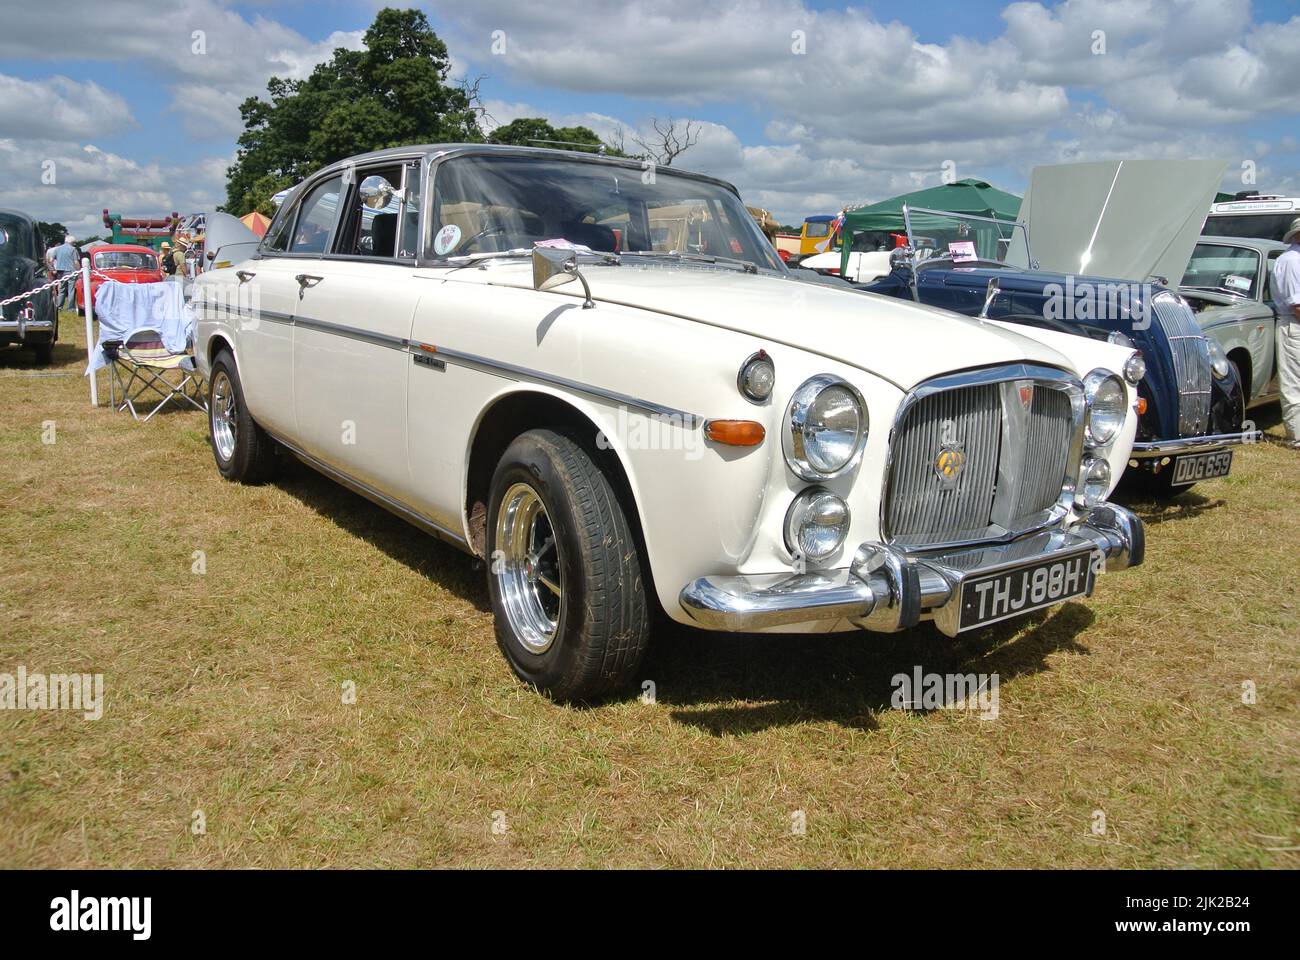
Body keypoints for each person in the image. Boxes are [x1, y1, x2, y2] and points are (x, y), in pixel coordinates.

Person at [1274, 217, 1300, 449]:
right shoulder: (1292, 261)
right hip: (1293, 324)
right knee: (1293, 381)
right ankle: (1297, 436)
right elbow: (1297, 304)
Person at [46, 234, 80, 309]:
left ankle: (59, 306)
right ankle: (71, 307)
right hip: (71, 271)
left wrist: (52, 269)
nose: (74, 244)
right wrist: (79, 271)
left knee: (61, 289)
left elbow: (50, 260)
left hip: (60, 271)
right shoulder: (73, 249)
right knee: (71, 290)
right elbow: (76, 261)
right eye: (74, 242)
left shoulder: (57, 249)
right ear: (71, 242)